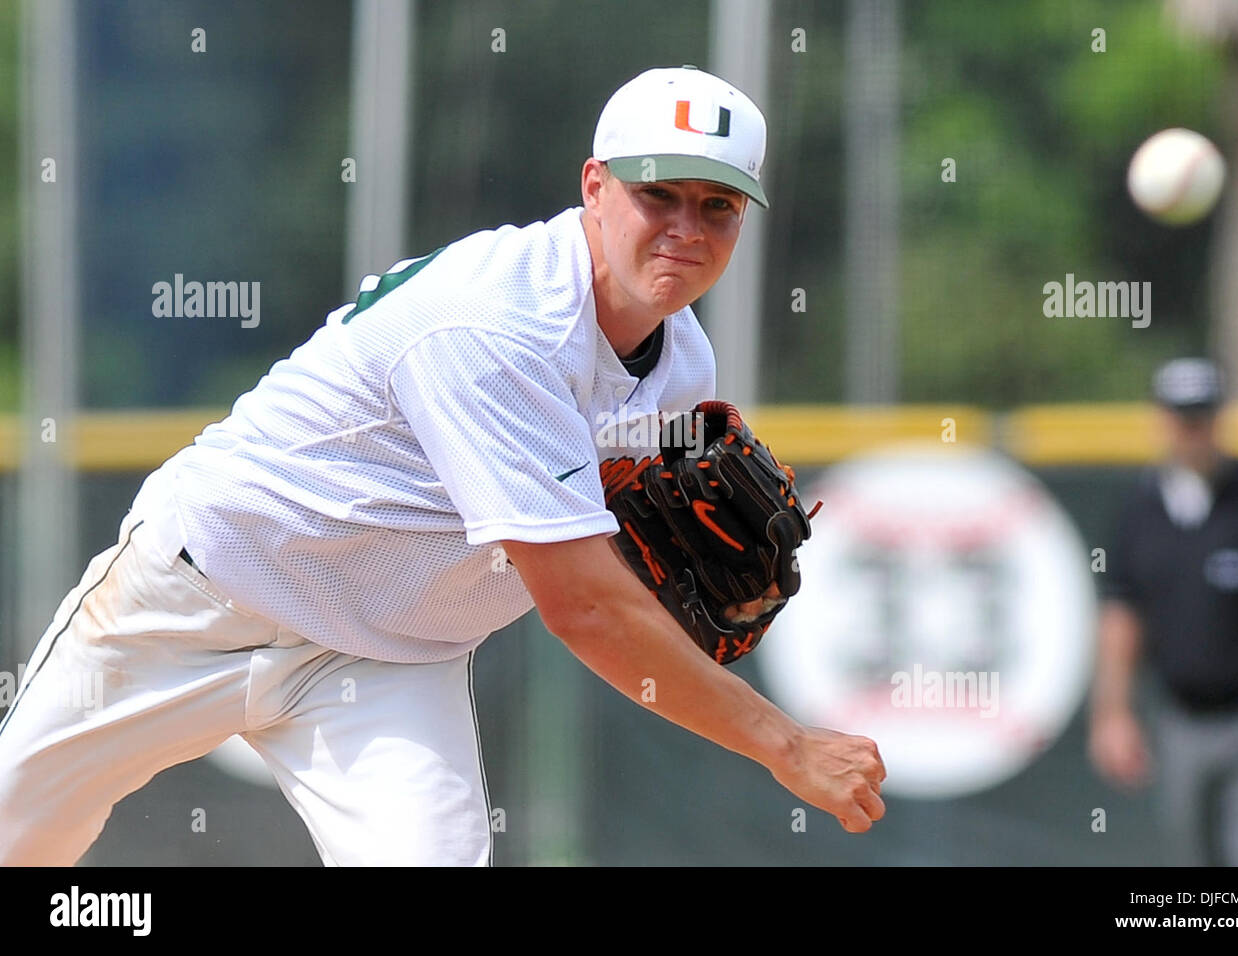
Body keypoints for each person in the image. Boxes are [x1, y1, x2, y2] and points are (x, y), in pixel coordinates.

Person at [0, 66, 885, 866]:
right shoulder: (497, 326)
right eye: (659, 194)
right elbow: (582, 607)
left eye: (718, 206)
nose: (686, 228)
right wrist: (786, 744)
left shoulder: (683, 364)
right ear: (595, 186)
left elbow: (608, 547)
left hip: (385, 660)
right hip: (197, 601)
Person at [1088, 357, 1238, 865]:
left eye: (1201, 415)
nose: (1191, 430)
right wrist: (1113, 713)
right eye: (1181, 416)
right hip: (1184, 723)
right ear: (1160, 419)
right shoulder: (1142, 507)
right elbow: (1124, 610)